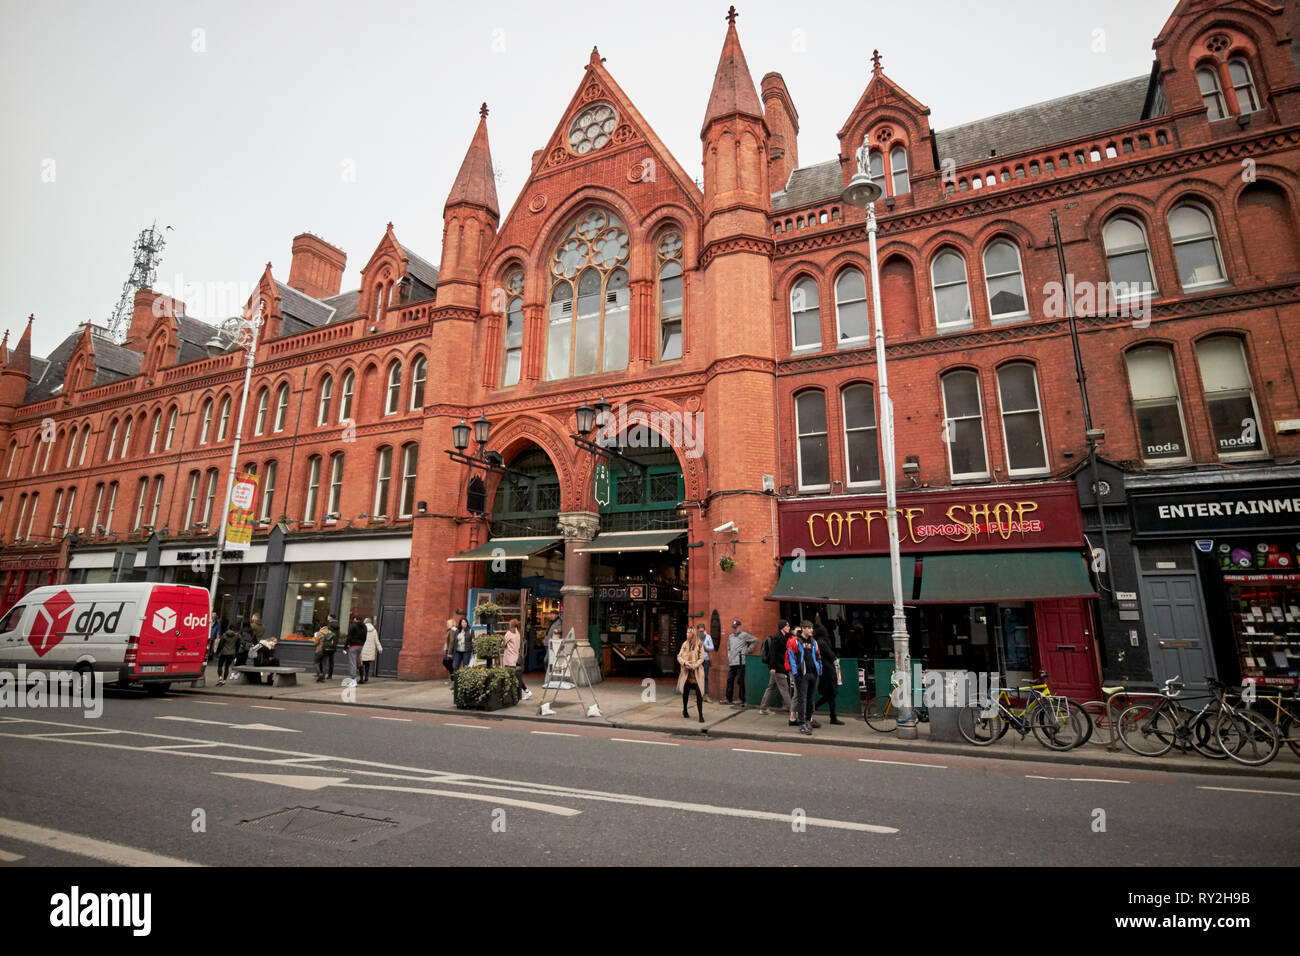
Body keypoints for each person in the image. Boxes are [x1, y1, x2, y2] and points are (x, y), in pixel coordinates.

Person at [787, 621, 822, 735]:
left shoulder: (814, 642)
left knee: (810, 699)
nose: (811, 630)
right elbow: (791, 657)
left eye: (812, 628)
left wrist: (819, 670)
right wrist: (796, 673)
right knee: (802, 699)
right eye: (809, 628)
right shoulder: (794, 641)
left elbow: (818, 656)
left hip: (813, 674)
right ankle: (802, 723)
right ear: (803, 629)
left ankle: (808, 721)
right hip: (802, 675)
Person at [759, 619, 794, 718]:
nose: (789, 627)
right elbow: (772, 654)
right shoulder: (777, 638)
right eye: (787, 626)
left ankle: (763, 708)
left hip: (781, 666)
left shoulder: (784, 637)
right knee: (784, 689)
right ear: (782, 627)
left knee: (771, 687)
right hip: (778, 667)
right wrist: (773, 667)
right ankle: (792, 710)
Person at [724, 619, 757, 707]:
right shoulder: (730, 636)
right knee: (729, 680)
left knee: (740, 681)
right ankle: (728, 698)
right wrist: (729, 657)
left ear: (739, 627)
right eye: (733, 627)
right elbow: (728, 647)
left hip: (741, 661)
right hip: (732, 662)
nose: (734, 629)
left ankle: (741, 699)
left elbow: (755, 640)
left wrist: (748, 650)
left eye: (736, 627)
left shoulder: (744, 635)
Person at [814, 627, 844, 724]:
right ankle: (816, 707)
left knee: (830, 694)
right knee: (832, 693)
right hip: (828, 670)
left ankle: (831, 716)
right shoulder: (822, 643)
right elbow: (831, 655)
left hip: (825, 670)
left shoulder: (818, 642)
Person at [676, 626, 706, 723]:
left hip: (696, 673)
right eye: (687, 632)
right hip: (687, 673)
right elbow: (679, 656)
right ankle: (685, 710)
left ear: (693, 634)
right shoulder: (685, 644)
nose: (687, 634)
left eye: (688, 633)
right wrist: (685, 663)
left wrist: (694, 665)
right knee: (685, 693)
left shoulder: (700, 644)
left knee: (699, 694)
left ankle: (701, 715)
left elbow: (701, 658)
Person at [501, 618, 532, 702]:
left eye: (509, 624)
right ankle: (518, 693)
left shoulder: (509, 634)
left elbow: (503, 645)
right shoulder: (518, 633)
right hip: (515, 656)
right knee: (515, 676)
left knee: (514, 676)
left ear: (511, 625)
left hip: (509, 658)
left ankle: (526, 690)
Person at [215, 620, 240, 685]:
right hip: (231, 653)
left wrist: (217, 652)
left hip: (223, 653)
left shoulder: (224, 635)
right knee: (227, 666)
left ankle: (220, 678)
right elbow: (238, 645)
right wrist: (236, 653)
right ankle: (224, 680)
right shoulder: (237, 636)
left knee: (220, 665)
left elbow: (220, 645)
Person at [360, 617, 382, 683]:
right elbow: (376, 640)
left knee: (361, 664)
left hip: (363, 648)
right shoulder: (374, 630)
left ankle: (361, 678)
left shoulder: (362, 629)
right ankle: (366, 676)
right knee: (367, 664)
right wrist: (380, 648)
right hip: (370, 649)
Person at [345, 614, 366, 682]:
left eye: (354, 619)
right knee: (358, 662)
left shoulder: (353, 626)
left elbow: (349, 637)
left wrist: (345, 647)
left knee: (353, 663)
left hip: (353, 646)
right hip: (360, 646)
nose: (353, 620)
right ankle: (361, 678)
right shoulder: (364, 626)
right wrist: (362, 644)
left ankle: (353, 679)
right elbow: (365, 637)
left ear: (356, 619)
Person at [699, 626, 714, 703]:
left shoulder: (708, 637)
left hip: (706, 660)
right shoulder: (696, 638)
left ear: (705, 630)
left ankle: (706, 695)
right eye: (700, 631)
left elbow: (712, 647)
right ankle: (700, 696)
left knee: (705, 677)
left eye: (702, 631)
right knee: (698, 678)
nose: (701, 632)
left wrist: (706, 647)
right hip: (698, 661)